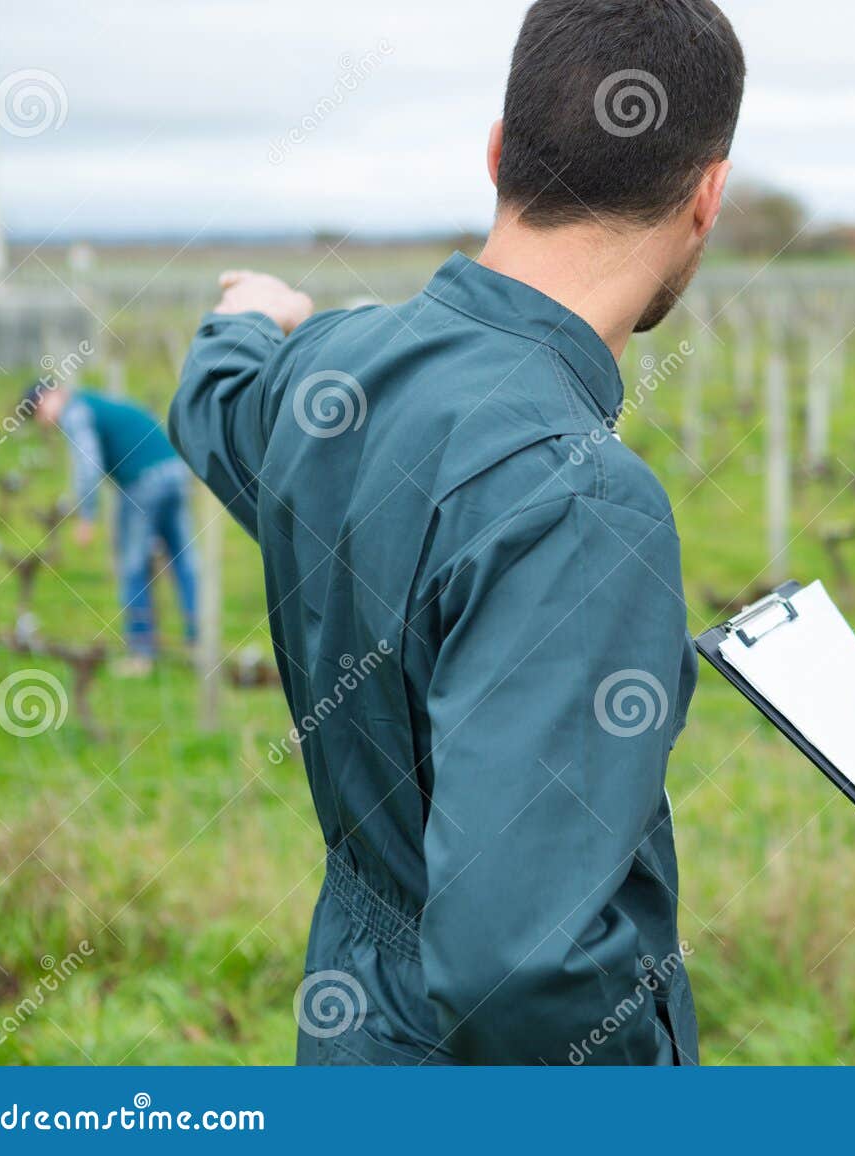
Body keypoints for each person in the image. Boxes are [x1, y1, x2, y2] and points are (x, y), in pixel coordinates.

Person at [168, 0, 744, 1064]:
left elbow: (214, 405)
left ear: (497, 153)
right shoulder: (581, 503)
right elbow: (516, 965)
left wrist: (251, 316)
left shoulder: (330, 375)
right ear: (707, 195)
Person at [25, 380, 198, 676]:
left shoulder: (75, 411)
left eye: (38, 412)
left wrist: (87, 516)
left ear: (50, 396)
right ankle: (198, 641)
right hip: (175, 471)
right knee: (182, 557)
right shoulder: (96, 400)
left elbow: (88, 463)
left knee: (132, 565)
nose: (43, 422)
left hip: (142, 482)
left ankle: (141, 653)